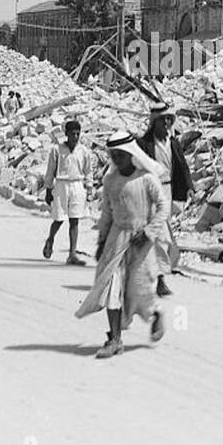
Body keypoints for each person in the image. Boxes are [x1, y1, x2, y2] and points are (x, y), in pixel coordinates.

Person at [74, 131, 168, 359]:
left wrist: (148, 232)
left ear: (131, 154)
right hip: (116, 240)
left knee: (139, 289)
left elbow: (163, 208)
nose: (116, 159)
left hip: (141, 242)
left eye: (120, 154)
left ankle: (156, 314)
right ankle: (115, 339)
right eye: (113, 155)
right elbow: (107, 213)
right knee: (111, 288)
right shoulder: (110, 181)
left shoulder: (147, 179)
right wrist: (101, 241)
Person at [137, 101, 193, 297]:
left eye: (169, 119)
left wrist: (189, 188)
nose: (167, 124)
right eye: (163, 120)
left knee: (158, 233)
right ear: (154, 123)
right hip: (151, 193)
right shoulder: (143, 144)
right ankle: (160, 279)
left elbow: (182, 166)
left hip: (167, 192)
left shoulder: (173, 143)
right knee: (161, 236)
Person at [42, 119, 96, 264]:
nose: (75, 137)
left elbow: (88, 171)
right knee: (59, 218)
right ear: (66, 134)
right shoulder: (57, 150)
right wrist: (48, 189)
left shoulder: (83, 151)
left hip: (77, 185)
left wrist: (89, 189)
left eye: (78, 134)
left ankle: (72, 254)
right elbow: (50, 171)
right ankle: (50, 239)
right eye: (73, 134)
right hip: (61, 185)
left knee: (75, 219)